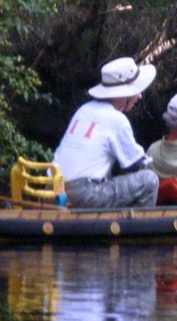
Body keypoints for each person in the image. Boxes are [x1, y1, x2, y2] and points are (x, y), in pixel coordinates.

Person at [53, 56, 160, 208]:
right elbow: (135, 164)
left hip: (54, 187)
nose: (140, 96)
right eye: (137, 91)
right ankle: (139, 223)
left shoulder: (84, 109)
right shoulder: (117, 119)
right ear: (125, 95)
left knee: (110, 176)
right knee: (149, 180)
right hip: (83, 193)